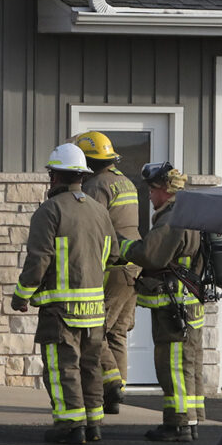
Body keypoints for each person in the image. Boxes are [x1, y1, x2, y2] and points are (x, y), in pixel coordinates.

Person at [10, 143, 115, 445]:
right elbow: (111, 254)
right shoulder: (99, 211)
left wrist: (21, 296)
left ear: (54, 177)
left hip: (61, 311)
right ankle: (94, 425)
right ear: (80, 176)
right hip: (94, 311)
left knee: (62, 368)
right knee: (90, 367)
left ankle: (70, 426)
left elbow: (38, 260)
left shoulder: (49, 211)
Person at [120, 162, 205, 442]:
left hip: (173, 307)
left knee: (172, 365)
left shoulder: (172, 218)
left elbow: (151, 255)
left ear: (166, 191)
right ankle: (189, 421)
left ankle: (177, 424)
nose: (150, 196)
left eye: (153, 190)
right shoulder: (193, 213)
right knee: (188, 363)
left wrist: (122, 246)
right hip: (190, 303)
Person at [73, 131, 142, 415]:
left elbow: (91, 224)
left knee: (94, 328)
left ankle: (110, 384)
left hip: (112, 268)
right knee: (118, 334)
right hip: (133, 266)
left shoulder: (96, 187)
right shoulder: (126, 182)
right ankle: (116, 395)